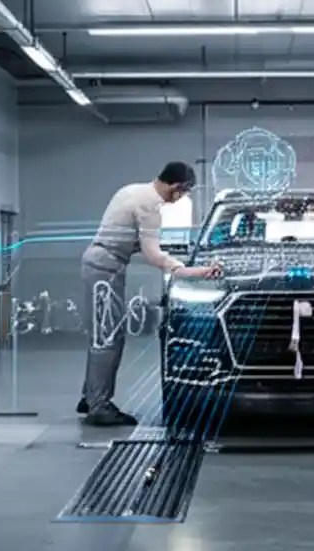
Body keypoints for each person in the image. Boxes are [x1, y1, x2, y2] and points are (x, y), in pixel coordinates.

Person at [77, 162, 222, 426]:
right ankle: (99, 406)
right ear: (177, 187)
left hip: (99, 264)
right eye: (184, 192)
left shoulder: (132, 190)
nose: (181, 198)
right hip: (105, 268)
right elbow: (154, 255)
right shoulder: (151, 207)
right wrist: (192, 271)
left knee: (101, 336)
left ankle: (90, 397)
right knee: (109, 338)